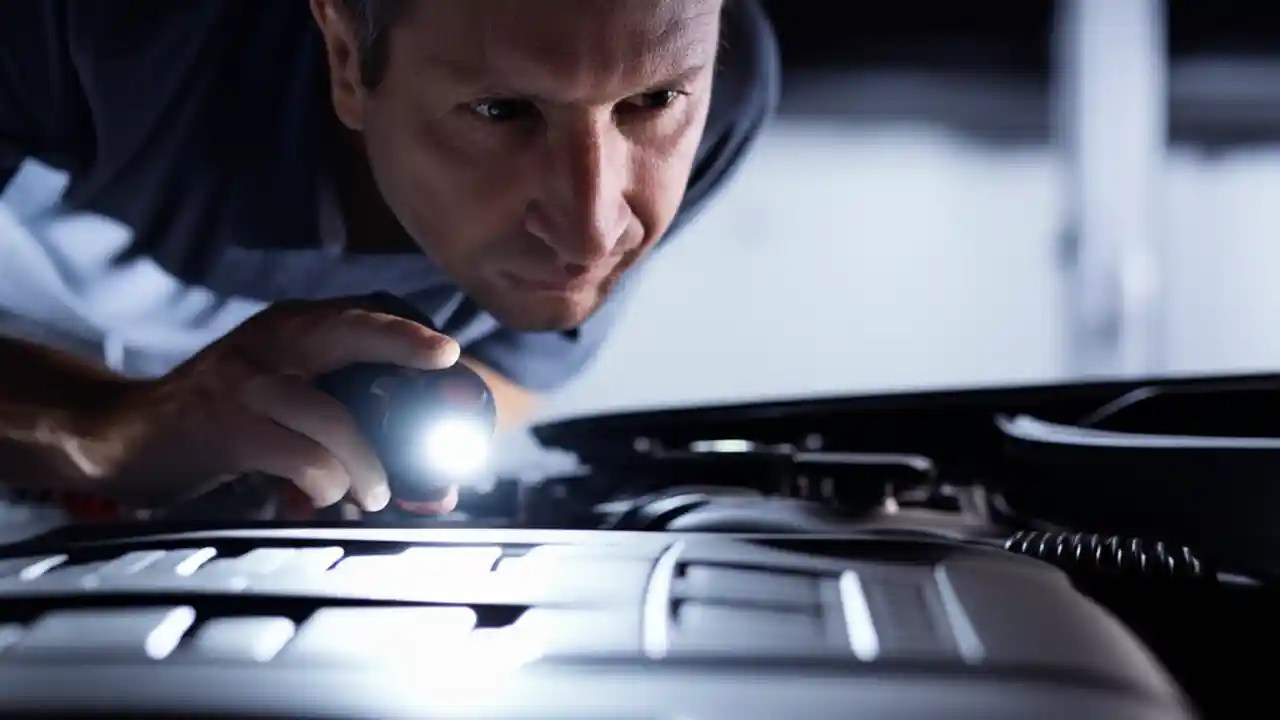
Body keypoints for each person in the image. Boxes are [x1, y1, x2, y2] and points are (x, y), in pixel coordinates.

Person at [0, 0, 779, 518]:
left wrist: (347, 457)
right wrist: (106, 428)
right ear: (345, 54)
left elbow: (509, 366)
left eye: (651, 103)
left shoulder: (729, 77)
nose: (590, 234)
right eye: (503, 110)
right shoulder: (86, 27)